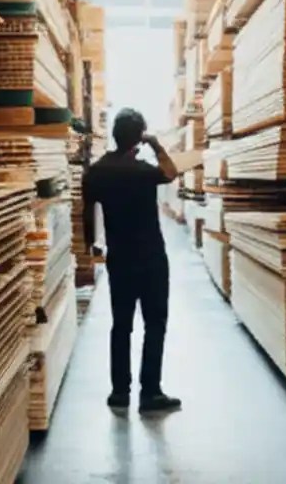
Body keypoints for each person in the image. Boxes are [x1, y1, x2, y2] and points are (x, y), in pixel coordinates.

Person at [82, 108, 182, 413]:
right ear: (137, 138)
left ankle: (119, 392)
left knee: (121, 325)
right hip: (151, 258)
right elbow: (171, 172)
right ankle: (150, 392)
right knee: (155, 323)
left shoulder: (97, 171)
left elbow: (86, 211)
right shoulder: (142, 171)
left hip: (120, 259)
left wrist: (90, 245)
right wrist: (154, 143)